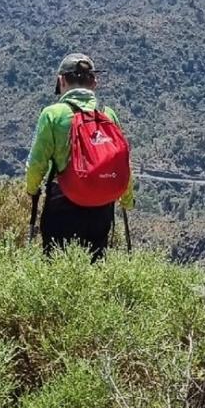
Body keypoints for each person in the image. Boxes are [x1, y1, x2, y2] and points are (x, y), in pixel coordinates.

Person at [25, 52, 134, 261]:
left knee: (57, 266)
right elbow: (123, 164)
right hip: (102, 206)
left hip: (63, 202)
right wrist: (127, 200)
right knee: (95, 267)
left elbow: (37, 164)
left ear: (61, 81)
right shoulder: (107, 114)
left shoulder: (53, 114)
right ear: (94, 82)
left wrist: (32, 189)